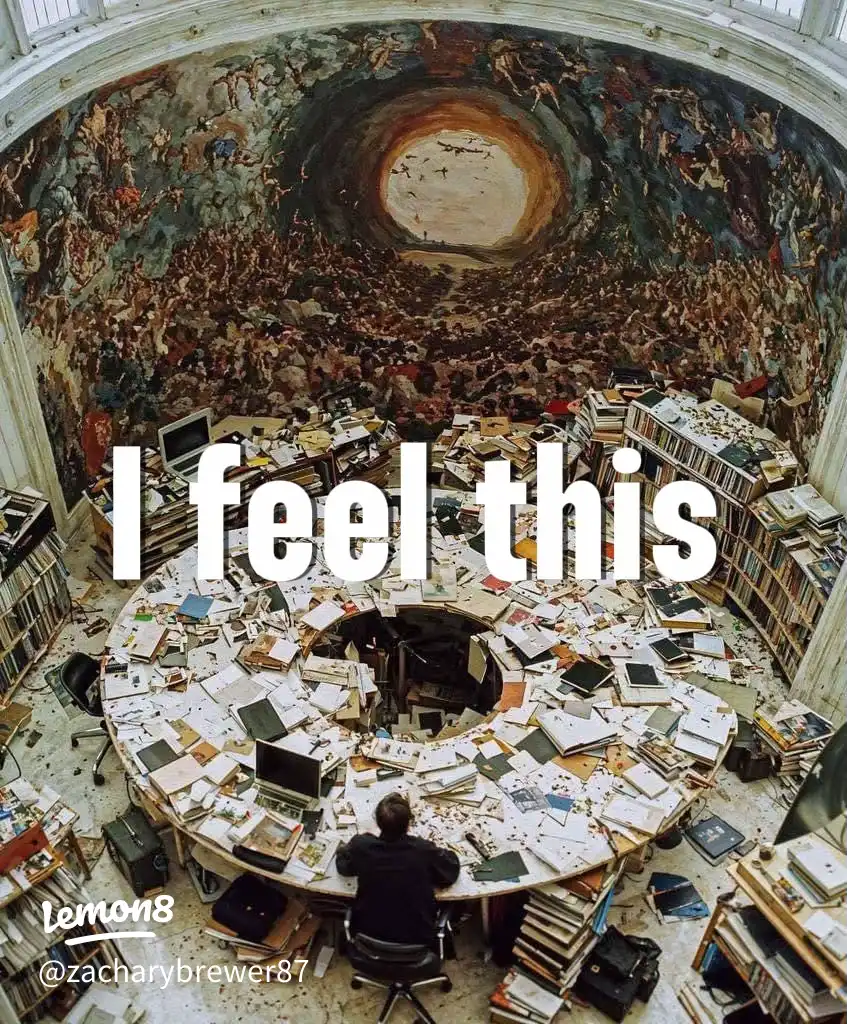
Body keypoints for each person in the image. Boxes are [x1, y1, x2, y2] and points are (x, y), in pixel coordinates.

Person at [337, 792, 460, 946]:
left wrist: (352, 846)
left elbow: (343, 867)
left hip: (368, 936)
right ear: (408, 824)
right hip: (417, 939)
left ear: (378, 823)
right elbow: (450, 872)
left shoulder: (362, 846)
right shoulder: (422, 850)